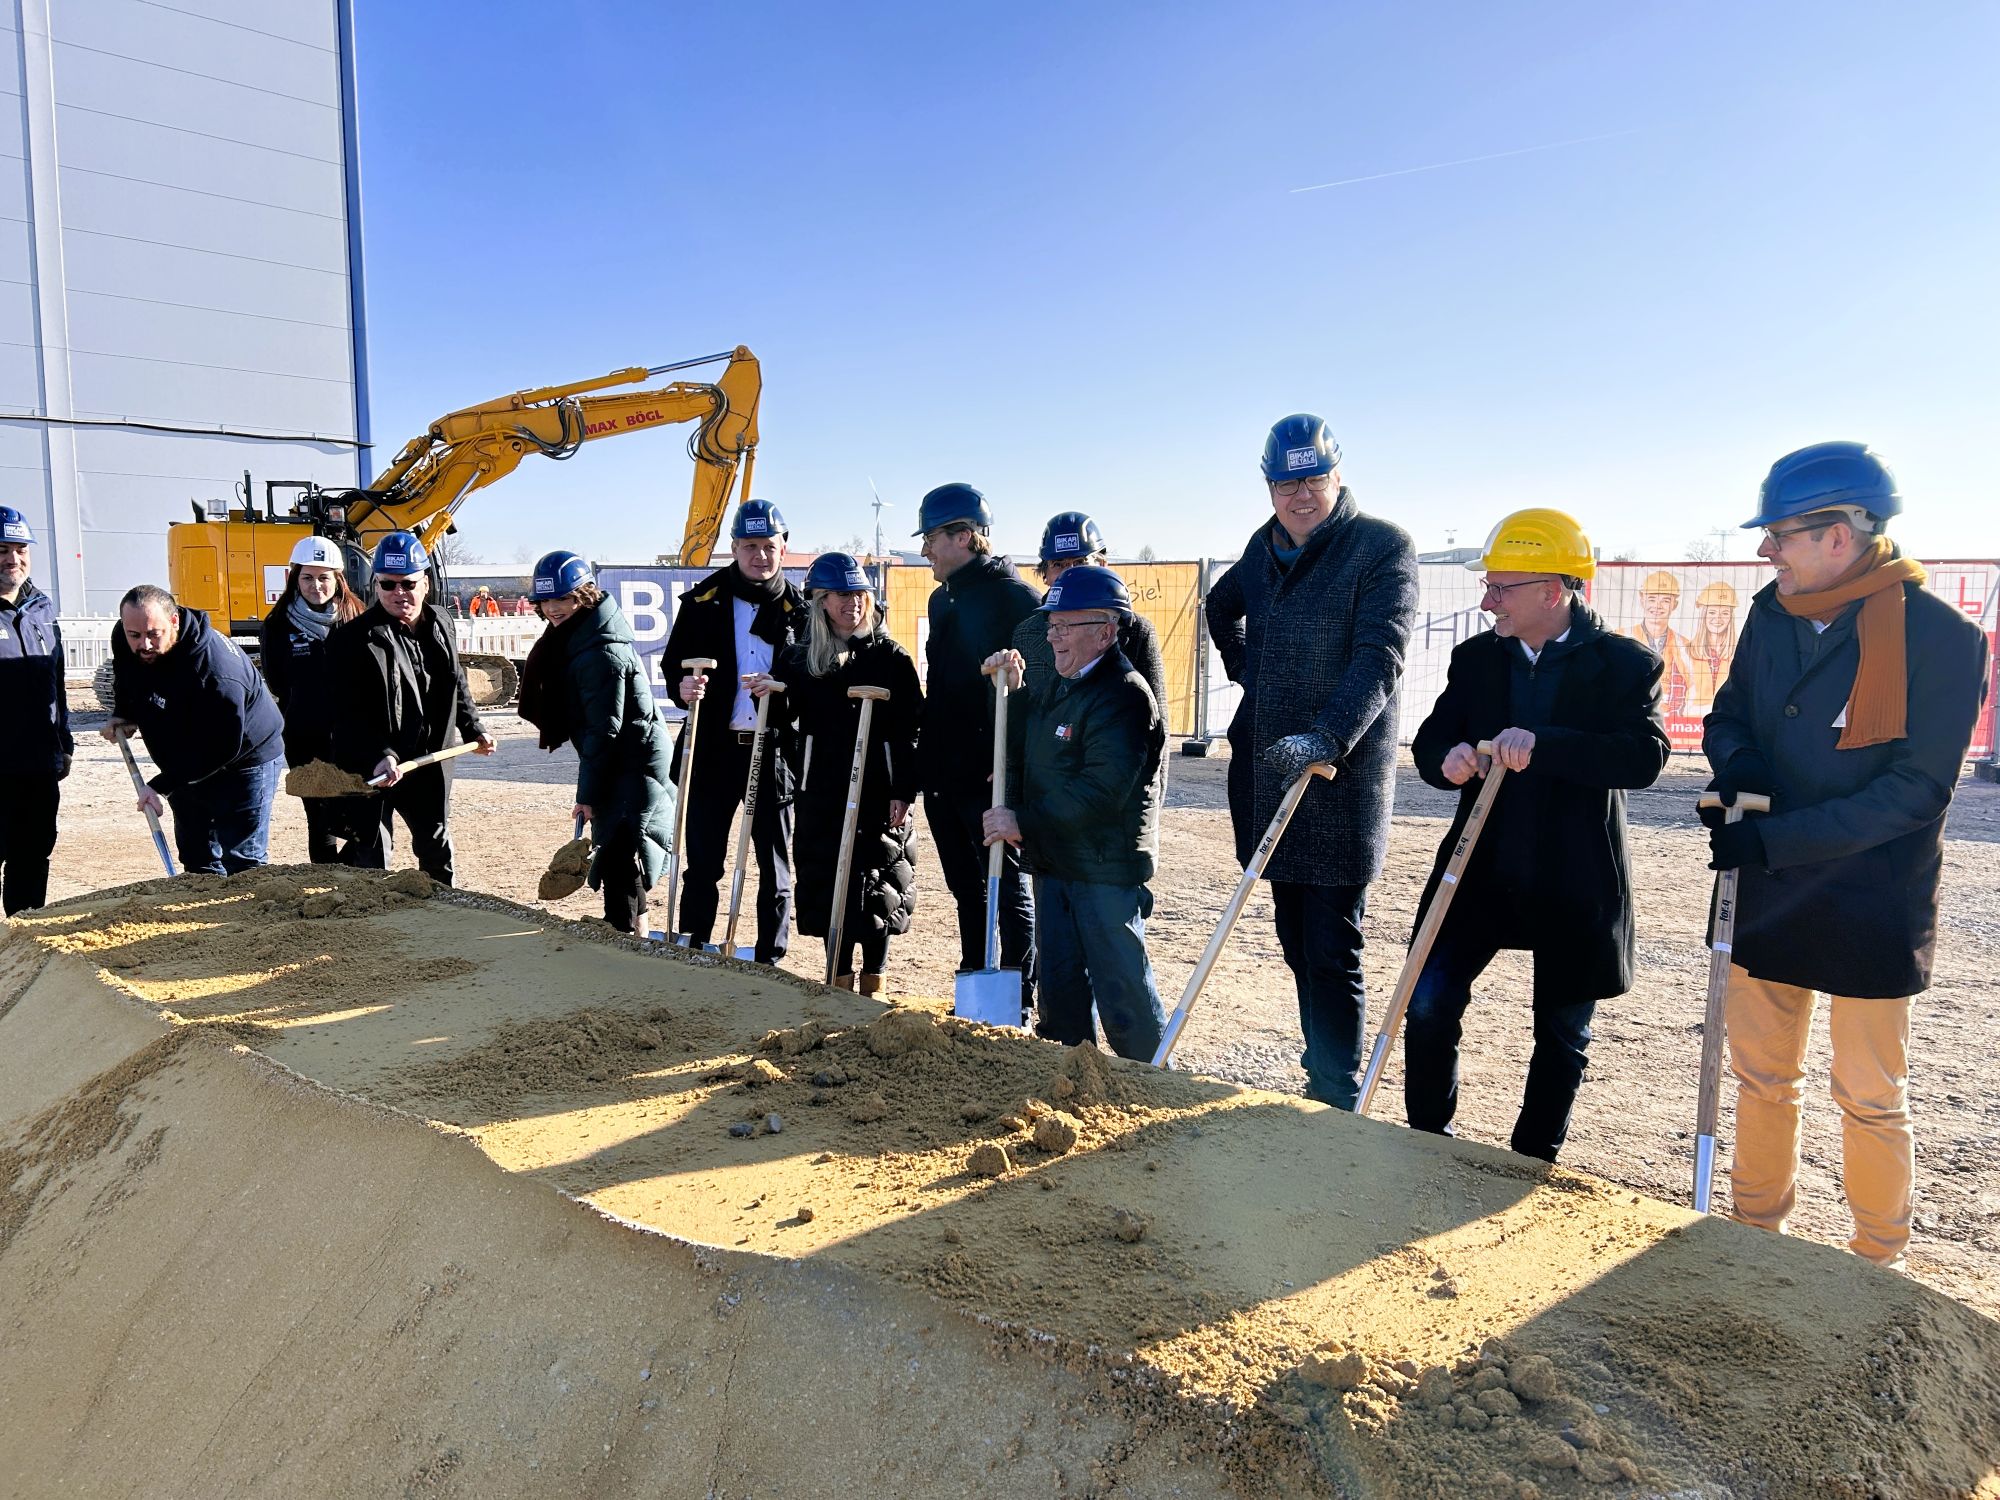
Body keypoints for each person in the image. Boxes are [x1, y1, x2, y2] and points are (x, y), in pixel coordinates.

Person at [1702, 441, 1989, 1270]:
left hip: (1872, 892)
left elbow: (1917, 791)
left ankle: (1878, 1262)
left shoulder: (1942, 639)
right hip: (1768, 884)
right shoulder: (1770, 613)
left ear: (1840, 534)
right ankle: (1756, 1236)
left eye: (1780, 533)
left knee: (1869, 1094)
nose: (1765, 550)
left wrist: (1777, 837)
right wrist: (1742, 764)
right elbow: (1729, 715)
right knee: (1764, 1077)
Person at [1405, 510, 1669, 1160]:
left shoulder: (1625, 665)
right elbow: (1434, 736)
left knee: (1562, 1034)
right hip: (1479, 872)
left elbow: (1643, 755)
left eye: (1502, 587)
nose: (1487, 599)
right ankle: (1427, 1144)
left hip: (1573, 879)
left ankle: (1531, 1160)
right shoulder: (1475, 660)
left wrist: (1544, 744)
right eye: (1489, 586)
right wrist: (1448, 760)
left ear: (1553, 591)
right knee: (1428, 1005)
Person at [1206, 414, 1418, 1109]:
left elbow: (1380, 654)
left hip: (1339, 776)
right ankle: (1318, 1066)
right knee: (1295, 937)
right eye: (1285, 482)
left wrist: (1329, 735)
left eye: (1313, 479)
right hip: (1272, 770)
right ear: (1269, 486)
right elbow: (1221, 606)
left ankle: (1336, 1091)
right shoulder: (1262, 550)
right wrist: (1251, 674)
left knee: (1332, 943)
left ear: (1337, 475)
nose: (1300, 495)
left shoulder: (1379, 547)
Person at [983, 566, 1167, 1060]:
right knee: (1060, 991)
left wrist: (1023, 821)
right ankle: (1068, 1081)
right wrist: (1013, 691)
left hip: (1104, 870)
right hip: (1059, 862)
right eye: (1052, 625)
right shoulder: (1064, 683)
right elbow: (1034, 748)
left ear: (1105, 631)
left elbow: (1099, 791)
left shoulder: (1124, 695)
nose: (1054, 636)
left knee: (1122, 993)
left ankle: (1152, 1085)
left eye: (1066, 625)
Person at [755, 553, 921, 993]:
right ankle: (838, 977)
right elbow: (783, 721)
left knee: (878, 881)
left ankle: (874, 980)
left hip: (879, 788)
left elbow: (912, 728)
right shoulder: (801, 658)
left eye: (858, 593)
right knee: (831, 882)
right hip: (822, 788)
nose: (851, 603)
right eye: (840, 595)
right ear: (820, 601)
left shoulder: (891, 658)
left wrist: (904, 789)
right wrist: (769, 697)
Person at [915, 482, 1043, 1009]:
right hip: (945, 775)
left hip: (991, 776)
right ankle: (975, 980)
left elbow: (1039, 697)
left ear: (964, 537)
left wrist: (1015, 768)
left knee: (1007, 889)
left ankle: (1019, 994)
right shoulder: (941, 600)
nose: (925, 550)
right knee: (967, 888)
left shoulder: (1019, 602)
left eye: (932, 538)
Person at [660, 499, 805, 957]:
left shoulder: (801, 611)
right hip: (713, 748)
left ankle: (770, 955)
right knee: (702, 861)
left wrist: (784, 690)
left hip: (773, 747)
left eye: (768, 546)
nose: (759, 555)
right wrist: (681, 686)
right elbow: (671, 664)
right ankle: (695, 945)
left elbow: (813, 678)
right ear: (734, 549)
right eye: (749, 546)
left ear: (783, 548)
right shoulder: (703, 602)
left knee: (774, 864)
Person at [517, 550, 675, 935]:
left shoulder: (599, 652)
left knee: (618, 851)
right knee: (623, 846)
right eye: (546, 601)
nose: (553, 609)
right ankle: (638, 933)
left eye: (563, 599)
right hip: (625, 757)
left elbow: (604, 730)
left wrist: (586, 795)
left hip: (632, 761)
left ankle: (621, 936)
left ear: (583, 595)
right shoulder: (580, 635)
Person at [326, 532, 496, 884]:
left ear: (426, 583)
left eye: (408, 583)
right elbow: (346, 713)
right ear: (375, 585)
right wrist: (380, 753)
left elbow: (456, 683)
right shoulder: (351, 639)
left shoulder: (442, 622)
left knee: (435, 846)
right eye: (387, 584)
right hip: (374, 766)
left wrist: (474, 728)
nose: (398, 593)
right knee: (371, 853)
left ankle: (446, 917)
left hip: (429, 760)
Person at [104, 583, 285, 875]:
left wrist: (162, 785)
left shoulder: (216, 671)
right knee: (197, 855)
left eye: (153, 634)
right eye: (134, 635)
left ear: (173, 621)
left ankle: (241, 918)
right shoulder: (127, 638)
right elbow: (127, 673)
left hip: (244, 759)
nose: (144, 645)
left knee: (242, 860)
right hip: (183, 755)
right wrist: (123, 714)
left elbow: (223, 746)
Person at [259, 536, 366, 864]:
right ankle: (325, 883)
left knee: (365, 818)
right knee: (320, 820)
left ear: (338, 579)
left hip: (353, 737)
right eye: (307, 577)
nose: (316, 585)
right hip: (304, 738)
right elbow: (277, 680)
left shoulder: (358, 619)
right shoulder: (277, 626)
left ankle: (352, 878)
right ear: (294, 578)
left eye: (324, 577)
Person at [1009, 511, 1167, 710]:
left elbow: (1157, 720)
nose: (1070, 572)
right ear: (1045, 574)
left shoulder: (1136, 631)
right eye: (1058, 564)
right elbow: (1022, 724)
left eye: (1081, 561)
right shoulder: (1027, 635)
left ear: (1102, 565)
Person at [0, 505, 72, 912]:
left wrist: (64, 744)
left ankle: (21, 944)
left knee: (31, 861)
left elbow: (55, 685)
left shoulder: (42, 609)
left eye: (20, 548)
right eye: (2, 549)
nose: (14, 559)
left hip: (38, 769)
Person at [1624, 570, 1693, 716]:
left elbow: (1695, 688)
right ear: (1642, 600)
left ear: (1675, 604)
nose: (1658, 606)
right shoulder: (1621, 638)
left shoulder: (1685, 646)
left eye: (1665, 600)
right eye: (1652, 599)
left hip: (1674, 725)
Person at [1686, 578, 1740, 707]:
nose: (1718, 618)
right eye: (1712, 612)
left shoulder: (1741, 653)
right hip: (1689, 723)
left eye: (1725, 613)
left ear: (1731, 618)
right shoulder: (1685, 651)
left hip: (1728, 721)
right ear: (1703, 615)